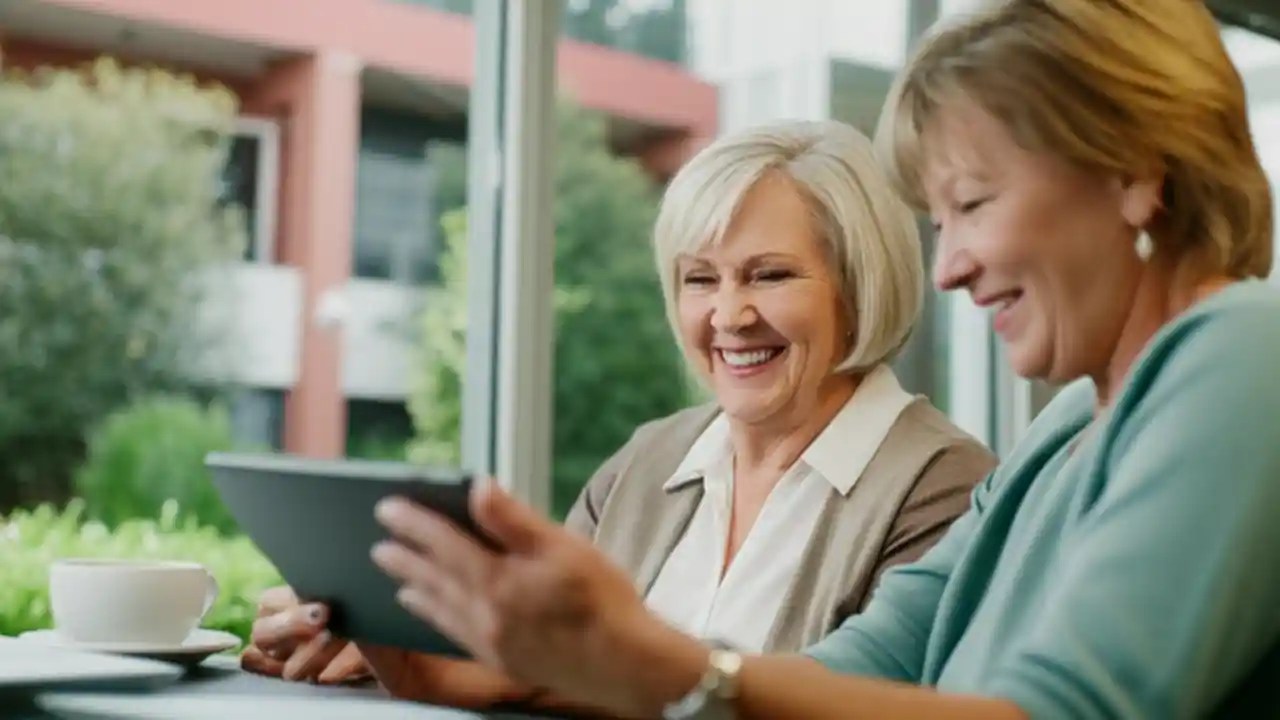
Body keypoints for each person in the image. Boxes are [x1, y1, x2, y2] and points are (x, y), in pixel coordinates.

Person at [366, 1, 1280, 717]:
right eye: (940, 221)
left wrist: (641, 657)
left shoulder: (1242, 351)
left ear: (1134, 173)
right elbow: (852, 674)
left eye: (974, 203)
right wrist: (503, 670)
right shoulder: (1067, 429)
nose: (951, 266)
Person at [242, 120, 995, 702]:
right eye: (700, 280)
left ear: (858, 286)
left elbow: (836, 703)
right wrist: (386, 646)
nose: (728, 315)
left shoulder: (945, 486)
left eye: (768, 275)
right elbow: (535, 666)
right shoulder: (649, 460)